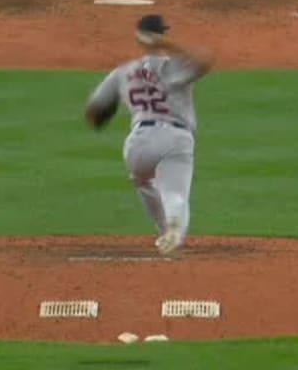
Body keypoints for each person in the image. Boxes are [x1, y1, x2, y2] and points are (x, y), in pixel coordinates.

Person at [83, 13, 214, 257]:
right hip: (175, 139)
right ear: (162, 34)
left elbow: (92, 112)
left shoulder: (123, 72)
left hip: (138, 143)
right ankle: (174, 229)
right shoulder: (175, 64)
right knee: (174, 192)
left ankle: (164, 230)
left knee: (143, 182)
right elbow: (205, 58)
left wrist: (108, 110)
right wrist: (167, 45)